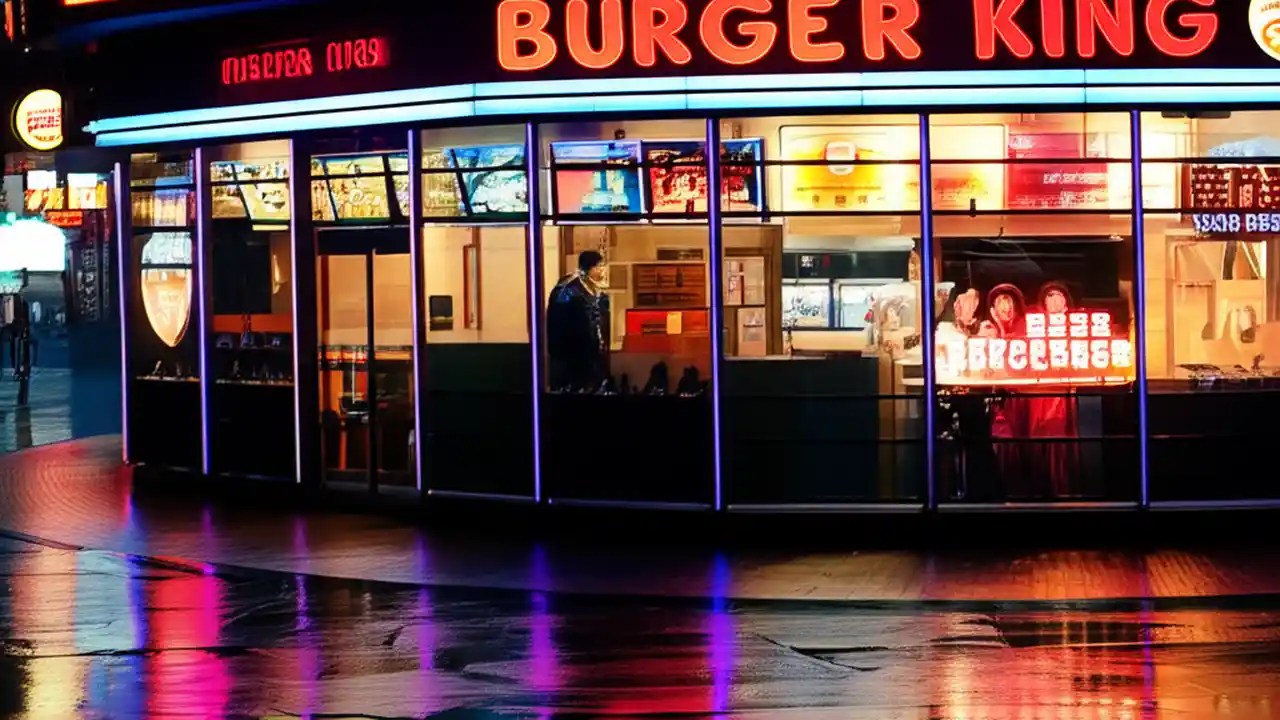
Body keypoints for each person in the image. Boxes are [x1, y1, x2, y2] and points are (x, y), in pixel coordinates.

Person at [547, 250, 610, 393]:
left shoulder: (597, 292)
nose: (603, 271)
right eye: (599, 266)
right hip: (572, 356)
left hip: (593, 354)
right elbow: (558, 324)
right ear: (590, 268)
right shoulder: (568, 291)